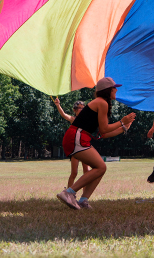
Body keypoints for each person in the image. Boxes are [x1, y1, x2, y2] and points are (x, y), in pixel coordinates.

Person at [51, 78, 137, 210]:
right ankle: (68, 193)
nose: (116, 90)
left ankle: (83, 201)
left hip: (78, 137)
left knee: (100, 168)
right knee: (100, 167)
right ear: (108, 90)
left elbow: (104, 133)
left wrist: (123, 128)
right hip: (77, 136)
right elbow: (104, 129)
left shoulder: (102, 103)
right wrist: (121, 121)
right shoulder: (102, 103)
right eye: (114, 87)